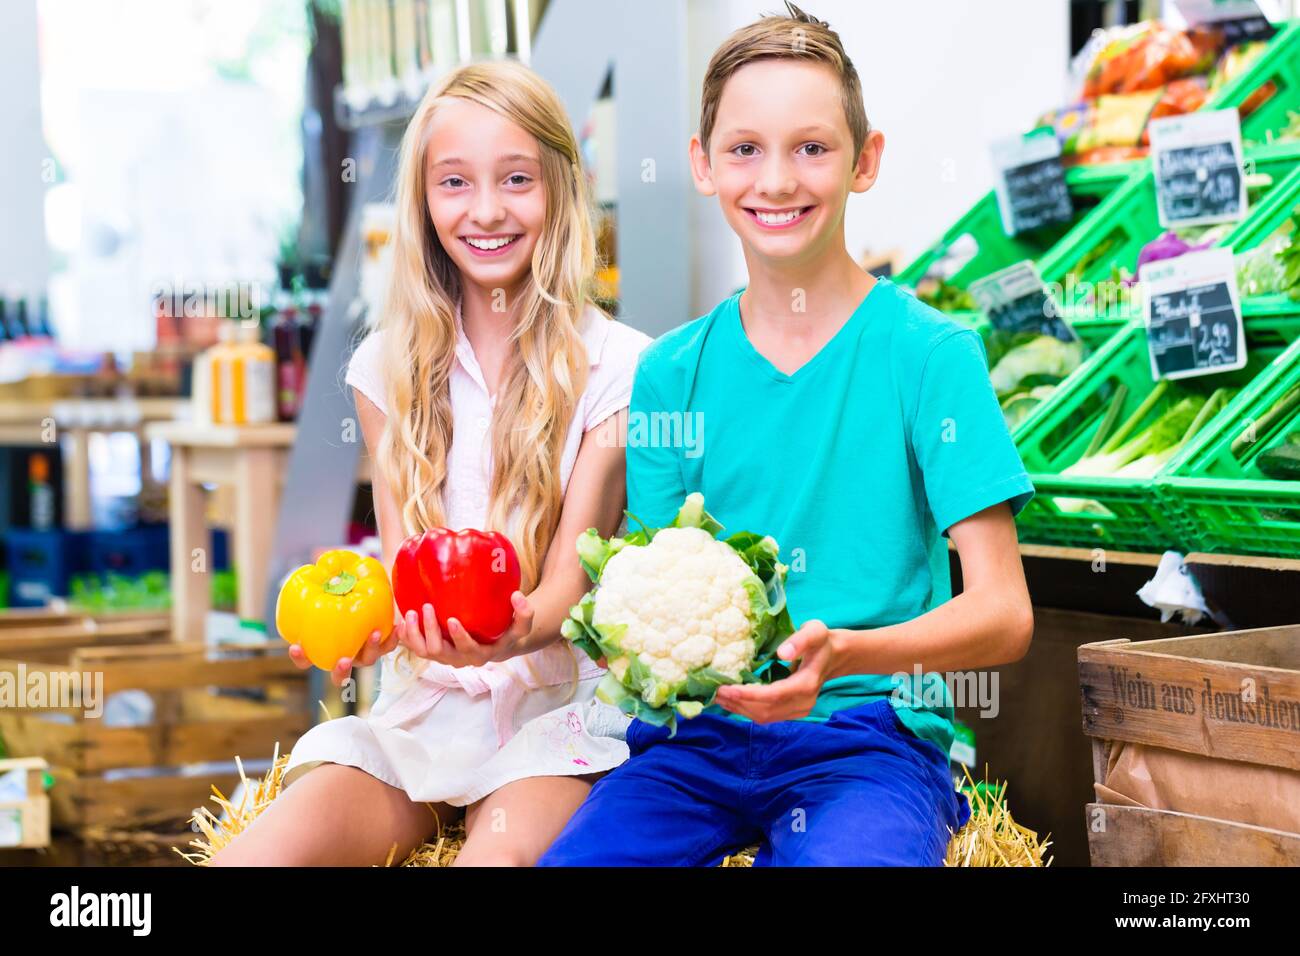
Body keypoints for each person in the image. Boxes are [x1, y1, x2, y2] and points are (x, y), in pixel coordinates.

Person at [539, 3, 1035, 867]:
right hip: (695, 750)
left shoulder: (929, 357)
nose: (776, 180)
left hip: (868, 739)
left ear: (865, 160)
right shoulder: (672, 374)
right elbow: (655, 592)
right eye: (744, 149)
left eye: (812, 147)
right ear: (702, 165)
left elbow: (1004, 613)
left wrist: (848, 649)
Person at [212, 59, 650, 867]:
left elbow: (566, 590)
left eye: (516, 179)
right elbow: (405, 569)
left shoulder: (621, 367)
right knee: (256, 858)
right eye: (455, 183)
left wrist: (509, 631)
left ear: (561, 187)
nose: (486, 210)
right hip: (422, 720)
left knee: (497, 861)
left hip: (556, 718)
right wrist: (365, 632)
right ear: (421, 199)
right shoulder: (384, 369)